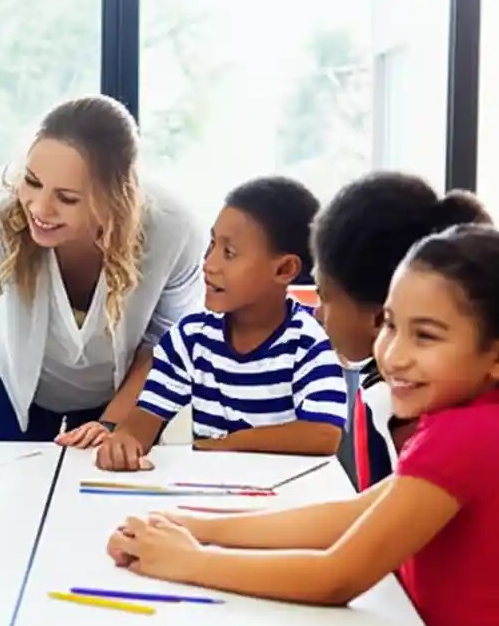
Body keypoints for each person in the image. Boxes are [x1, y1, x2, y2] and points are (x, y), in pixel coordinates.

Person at [108, 225, 499, 626]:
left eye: (425, 336)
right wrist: (200, 527)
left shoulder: (470, 438)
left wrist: (190, 561)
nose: (394, 354)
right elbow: (351, 516)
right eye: (390, 325)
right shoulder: (475, 422)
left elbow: (337, 578)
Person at [0, 94, 205, 471]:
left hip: (120, 390)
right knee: (6, 486)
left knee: (101, 492)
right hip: (8, 380)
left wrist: (114, 425)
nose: (39, 208)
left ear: (115, 199)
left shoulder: (172, 227)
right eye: (32, 182)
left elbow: (167, 345)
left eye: (67, 198)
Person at [96, 177, 346, 471]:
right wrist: (125, 439)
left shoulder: (309, 343)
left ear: (284, 269)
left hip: (285, 494)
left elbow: (324, 434)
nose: (209, 264)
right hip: (213, 488)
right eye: (212, 244)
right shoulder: (191, 338)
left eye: (229, 253)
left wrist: (226, 445)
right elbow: (148, 413)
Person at [310, 172, 492, 488]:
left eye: (324, 295)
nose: (317, 313)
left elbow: (392, 515)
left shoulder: (402, 403)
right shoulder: (447, 387)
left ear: (379, 318)